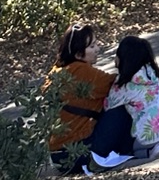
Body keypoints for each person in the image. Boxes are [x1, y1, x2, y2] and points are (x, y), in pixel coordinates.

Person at [90, 35, 159, 168]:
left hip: (150, 137)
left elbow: (109, 106)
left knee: (132, 148)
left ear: (122, 59)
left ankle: (152, 151)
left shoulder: (124, 85)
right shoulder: (153, 76)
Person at [46, 23, 113, 170]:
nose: (97, 49)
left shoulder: (55, 72)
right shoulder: (81, 71)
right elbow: (116, 84)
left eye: (96, 44)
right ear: (77, 54)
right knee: (120, 110)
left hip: (58, 157)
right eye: (92, 46)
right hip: (78, 153)